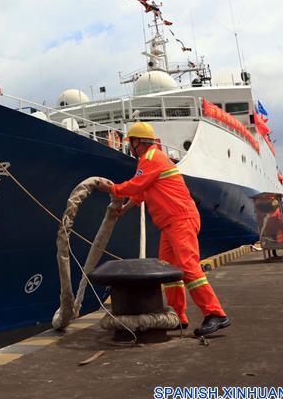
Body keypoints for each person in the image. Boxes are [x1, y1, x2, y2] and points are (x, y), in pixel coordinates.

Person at [96, 121, 230, 337]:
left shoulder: (151, 158)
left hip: (180, 219)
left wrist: (111, 188)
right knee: (170, 271)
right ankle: (177, 317)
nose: (129, 145)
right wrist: (125, 208)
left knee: (188, 267)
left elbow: (136, 185)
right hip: (170, 223)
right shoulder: (150, 160)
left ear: (137, 142)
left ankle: (215, 313)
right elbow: (141, 193)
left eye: (130, 141)